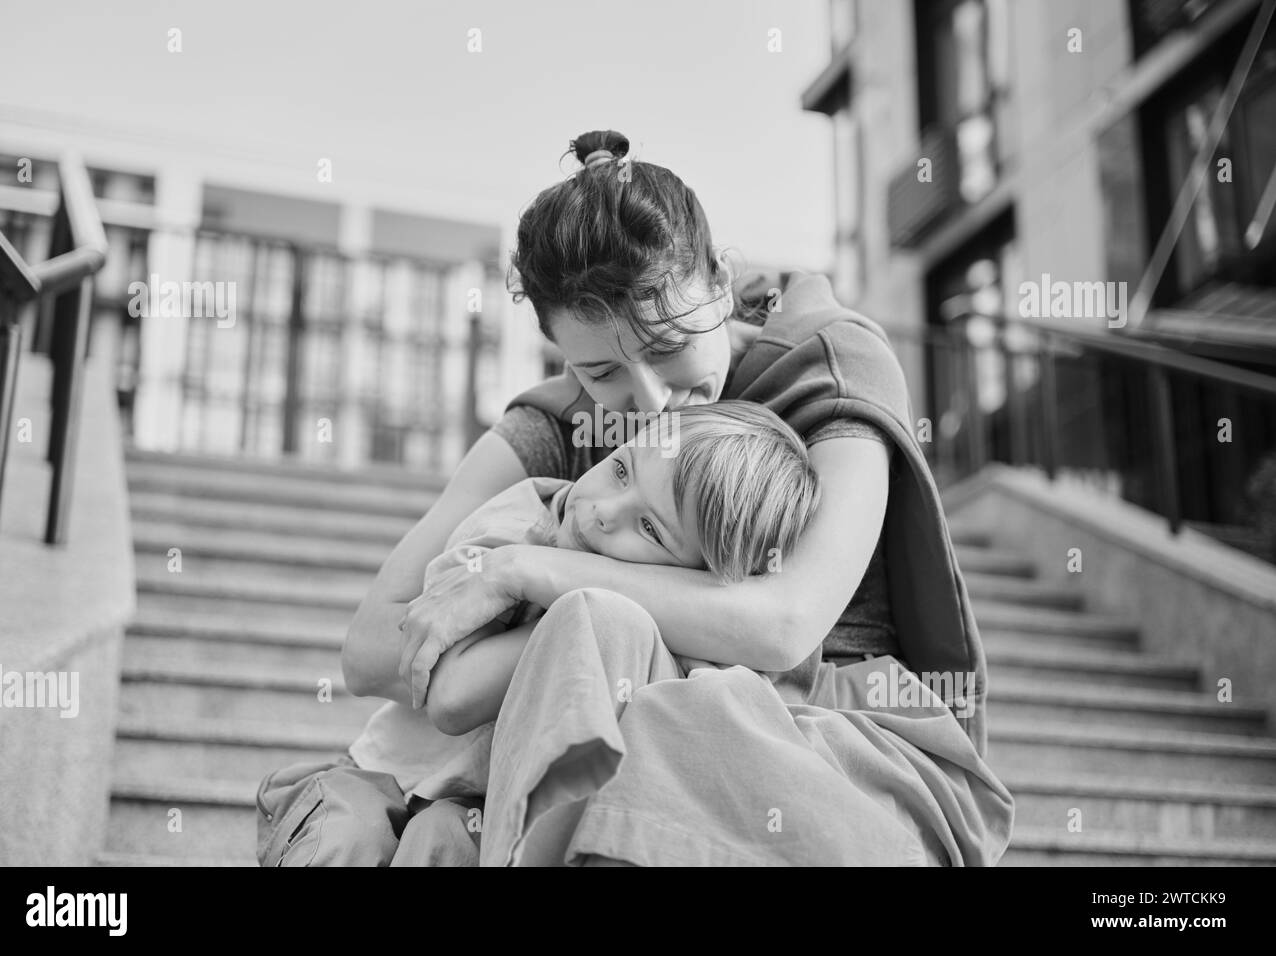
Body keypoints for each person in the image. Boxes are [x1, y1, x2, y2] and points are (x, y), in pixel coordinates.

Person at [340, 129, 1014, 866]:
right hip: (612, 736)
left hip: (837, 749)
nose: (651, 401)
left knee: (645, 717)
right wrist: (573, 641)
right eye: (600, 372)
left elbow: (784, 623)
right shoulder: (554, 425)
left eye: (668, 347)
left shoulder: (830, 364)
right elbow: (373, 648)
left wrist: (527, 576)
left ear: (722, 279)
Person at [256, 400, 821, 866]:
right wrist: (581, 607)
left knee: (444, 842)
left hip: (480, 812)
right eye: (622, 469)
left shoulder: (673, 626)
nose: (605, 510)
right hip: (382, 779)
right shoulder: (522, 526)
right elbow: (451, 698)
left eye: (650, 528)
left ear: (694, 578)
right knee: (345, 839)